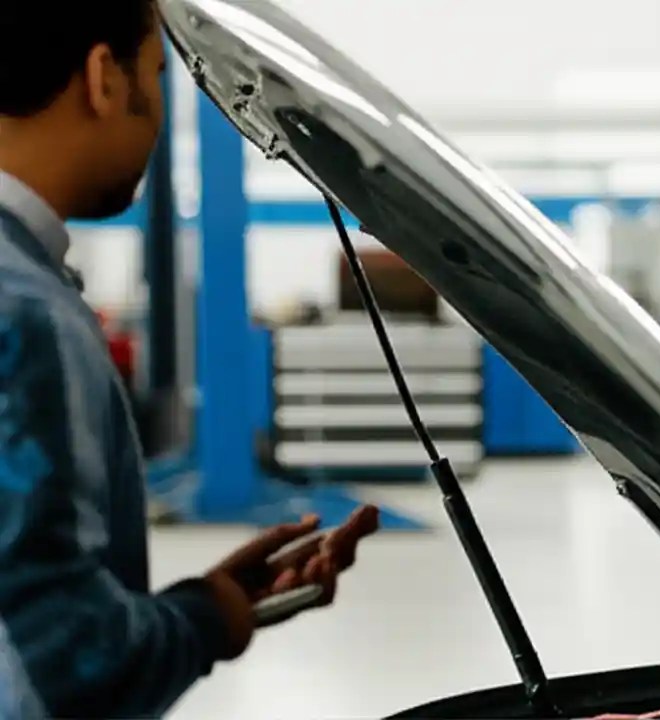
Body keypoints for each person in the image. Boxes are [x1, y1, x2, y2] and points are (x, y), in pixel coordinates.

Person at [0, 1, 379, 716]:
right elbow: (62, 665)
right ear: (103, 78)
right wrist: (211, 620)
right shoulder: (27, 316)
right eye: (157, 76)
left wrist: (209, 599)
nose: (159, 121)